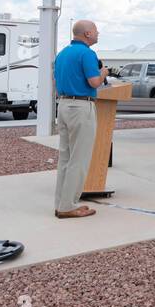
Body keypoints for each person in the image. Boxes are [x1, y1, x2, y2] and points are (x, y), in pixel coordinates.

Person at [52, 20, 110, 219]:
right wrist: (103, 73)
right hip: (81, 106)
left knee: (65, 157)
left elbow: (55, 82)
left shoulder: (62, 54)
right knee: (80, 158)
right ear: (87, 33)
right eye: (95, 30)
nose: (98, 33)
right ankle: (68, 206)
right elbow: (93, 81)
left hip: (64, 104)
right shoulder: (87, 54)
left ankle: (61, 203)